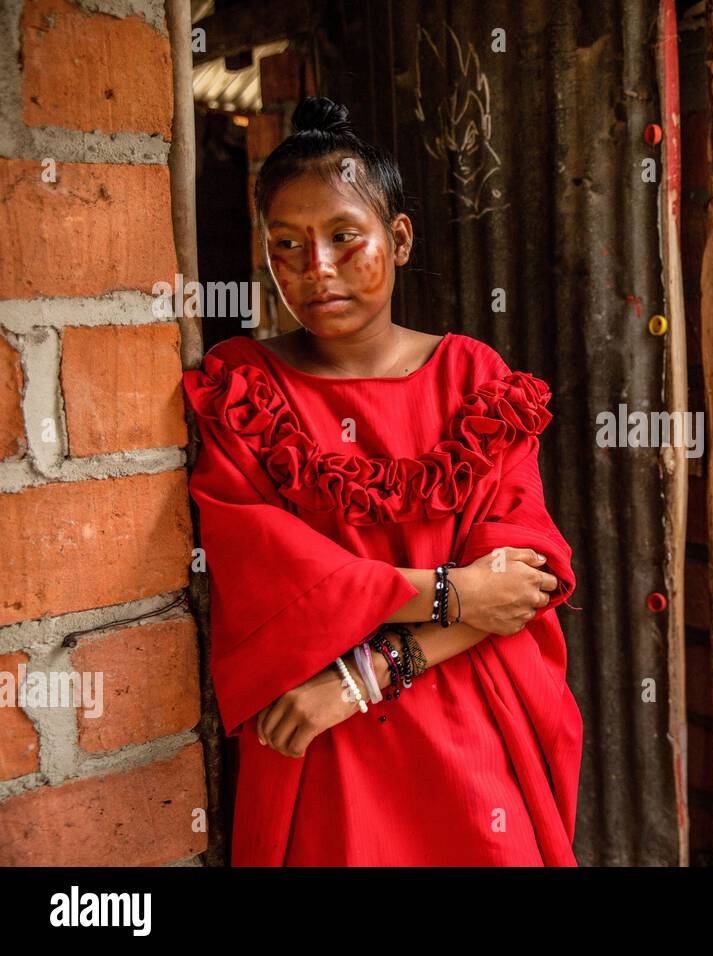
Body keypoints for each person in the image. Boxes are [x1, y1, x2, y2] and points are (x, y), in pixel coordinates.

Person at [181, 96, 582, 866]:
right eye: (287, 245)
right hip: (321, 748)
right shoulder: (244, 389)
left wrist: (366, 673)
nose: (317, 268)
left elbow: (522, 583)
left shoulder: (473, 378)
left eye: (342, 237)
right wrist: (454, 590)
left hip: (466, 731)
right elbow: (271, 574)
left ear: (397, 239)